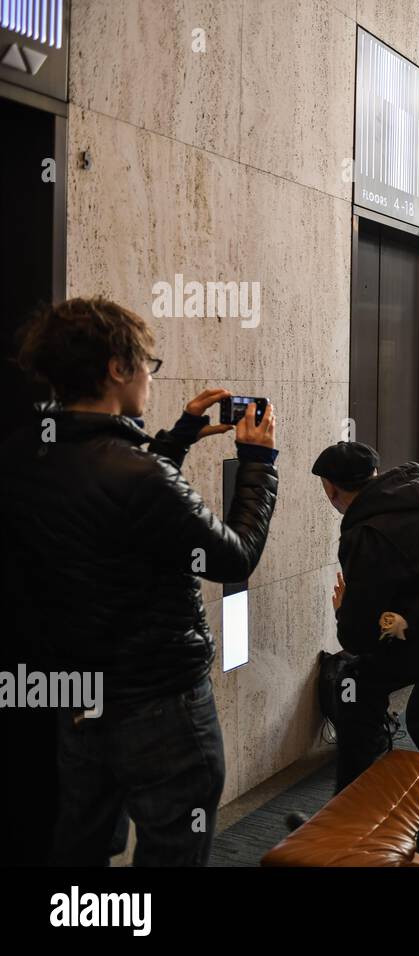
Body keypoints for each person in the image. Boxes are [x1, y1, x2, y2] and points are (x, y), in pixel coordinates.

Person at [0, 297, 278, 866]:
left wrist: (175, 439)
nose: (150, 379)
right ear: (118, 369)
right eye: (147, 365)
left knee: (82, 844)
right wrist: (258, 463)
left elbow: (117, 508)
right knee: (172, 847)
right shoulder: (139, 476)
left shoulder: (22, 455)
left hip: (75, 694)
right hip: (160, 704)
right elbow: (233, 558)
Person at [312, 441, 419, 793]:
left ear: (330, 488)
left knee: (352, 683)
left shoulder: (367, 534)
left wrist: (343, 611)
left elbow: (359, 638)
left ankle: (348, 808)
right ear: (374, 474)